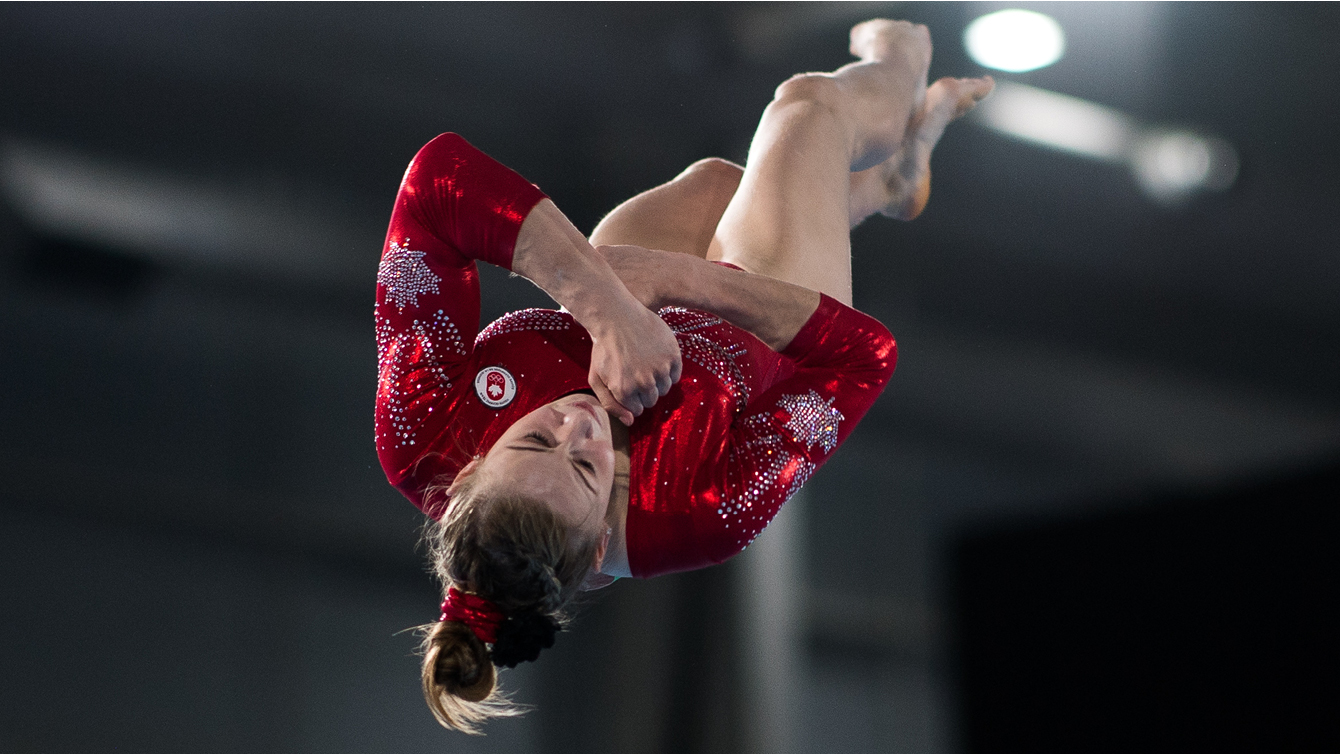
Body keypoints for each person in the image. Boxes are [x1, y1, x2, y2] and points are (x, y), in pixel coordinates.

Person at [373, 19, 992, 732]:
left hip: (625, 298)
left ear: (466, 471)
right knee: (806, 111)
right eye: (585, 467)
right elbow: (863, 356)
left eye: (535, 439)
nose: (578, 424)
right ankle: (899, 62)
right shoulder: (703, 512)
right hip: (756, 328)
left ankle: (891, 179)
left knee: (721, 184)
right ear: (601, 552)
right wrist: (680, 280)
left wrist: (605, 309)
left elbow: (436, 182)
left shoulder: (424, 430)